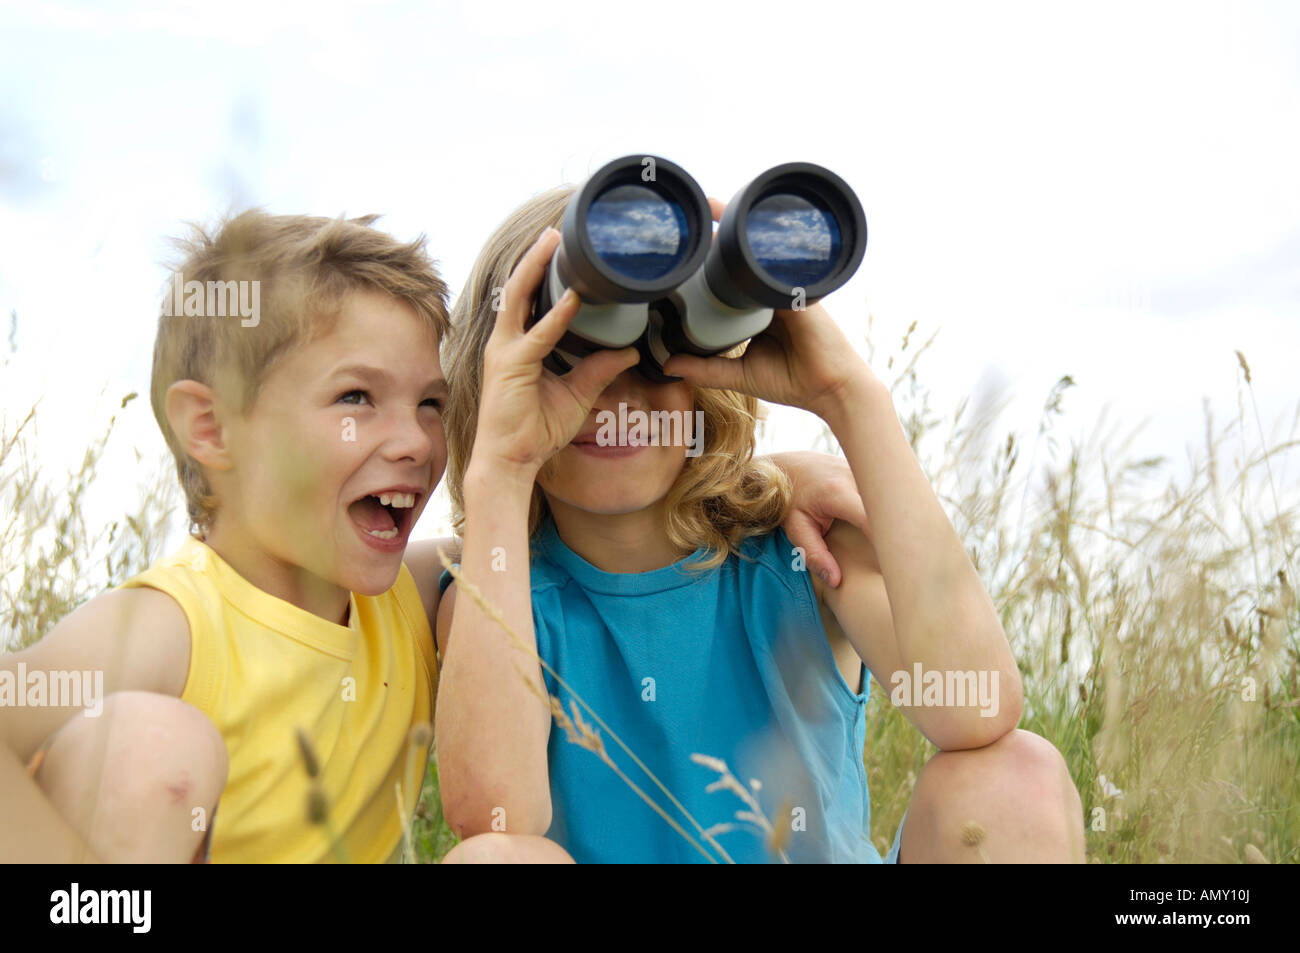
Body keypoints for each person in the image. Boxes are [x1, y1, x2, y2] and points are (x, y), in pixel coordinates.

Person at [0, 208, 868, 863]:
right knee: (152, 750)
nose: (415, 440)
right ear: (213, 428)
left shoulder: (404, 599)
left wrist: (765, 474)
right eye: (354, 399)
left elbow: (574, 539)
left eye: (427, 403)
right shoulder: (169, 624)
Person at [434, 186, 1087, 863]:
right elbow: (493, 814)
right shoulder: (499, 596)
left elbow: (975, 706)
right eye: (569, 354)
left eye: (656, 351)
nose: (617, 395)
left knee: (1019, 776)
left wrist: (850, 399)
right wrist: (502, 471)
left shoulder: (805, 547)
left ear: (707, 365)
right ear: (496, 382)